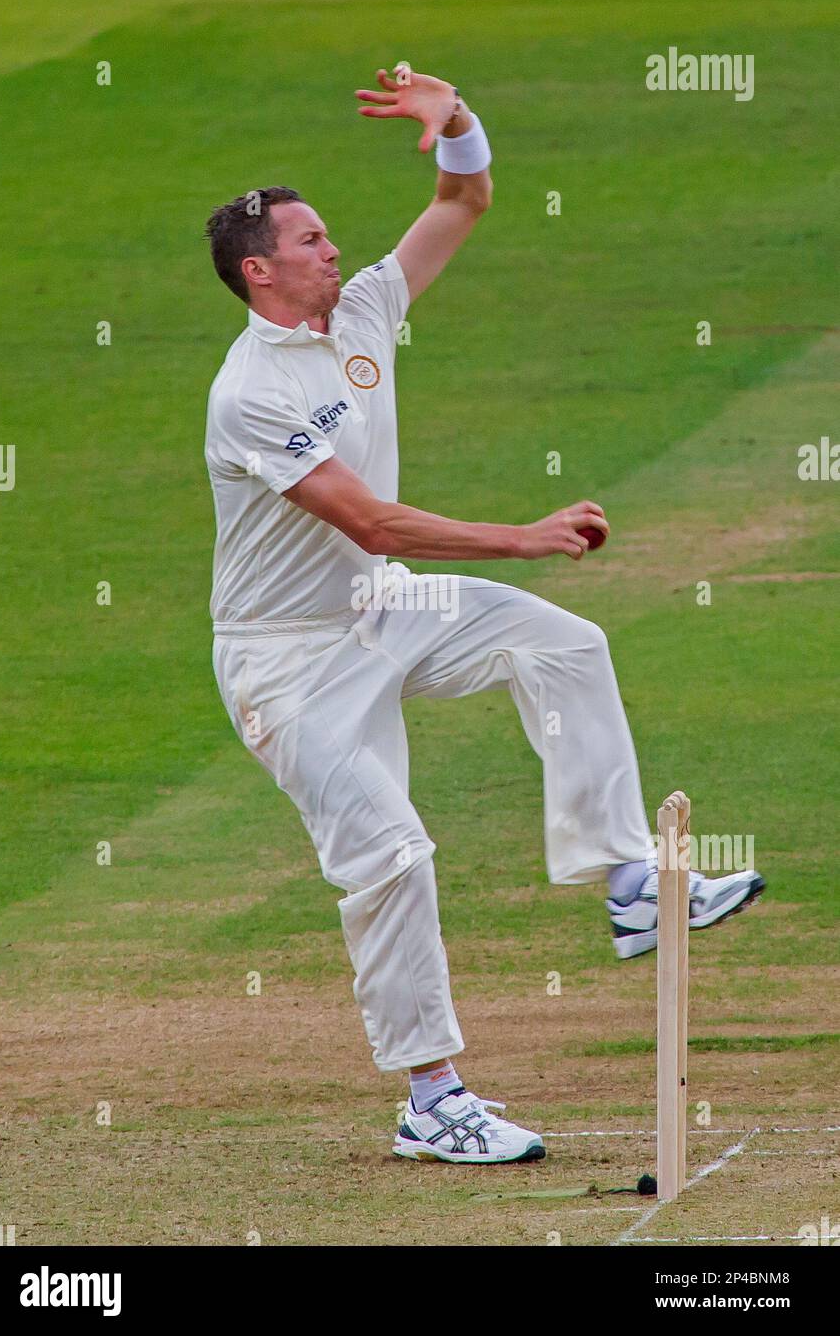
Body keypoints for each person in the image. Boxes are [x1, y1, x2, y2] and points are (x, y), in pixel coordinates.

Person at [203, 66, 764, 1164]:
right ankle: (432, 1097)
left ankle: (630, 885)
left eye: (330, 235)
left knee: (562, 641)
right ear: (259, 273)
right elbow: (367, 520)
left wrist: (454, 120)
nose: (334, 249)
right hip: (286, 666)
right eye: (310, 240)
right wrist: (523, 537)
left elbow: (463, 202)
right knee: (394, 857)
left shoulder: (363, 307)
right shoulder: (249, 393)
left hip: (379, 612)